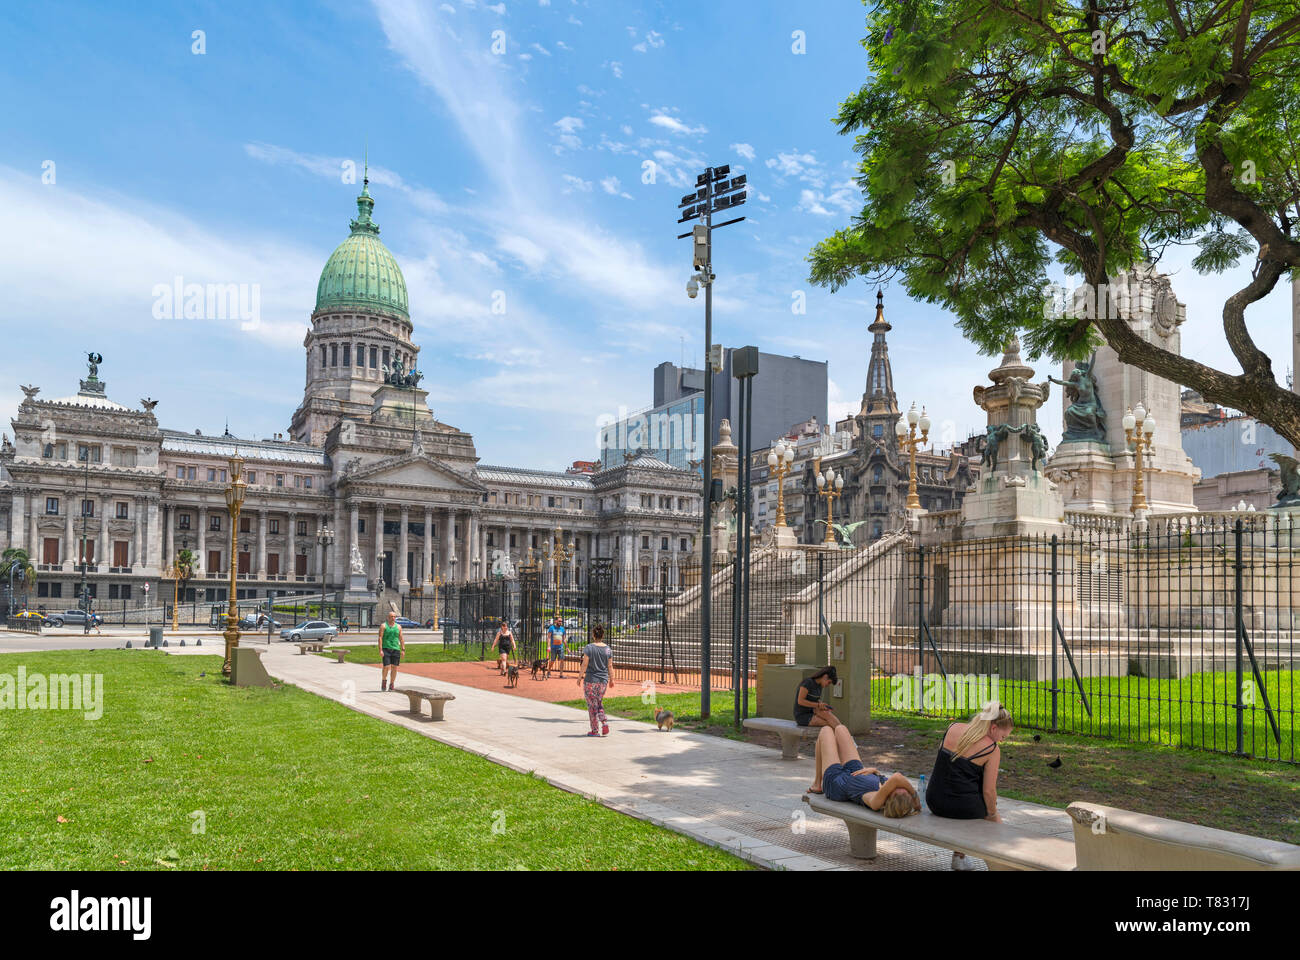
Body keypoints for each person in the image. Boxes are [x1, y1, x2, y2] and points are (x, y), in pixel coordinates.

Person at [925, 701, 1014, 871]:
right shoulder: (992, 749)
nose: (1001, 741)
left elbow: (945, 767)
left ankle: (960, 857)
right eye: (1003, 737)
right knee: (991, 811)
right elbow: (989, 791)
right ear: (994, 728)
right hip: (962, 808)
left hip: (934, 800)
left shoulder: (953, 727)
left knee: (965, 788)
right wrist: (993, 814)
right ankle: (1004, 865)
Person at [808, 725, 919, 818]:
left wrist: (915, 796)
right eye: (906, 792)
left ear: (891, 799)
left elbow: (897, 777)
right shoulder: (889, 789)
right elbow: (889, 781)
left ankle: (818, 783)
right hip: (856, 771)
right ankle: (831, 755)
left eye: (900, 792)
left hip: (837, 782)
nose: (902, 788)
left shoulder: (876, 802)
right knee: (840, 729)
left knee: (826, 730)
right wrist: (875, 772)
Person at [576, 625, 614, 737]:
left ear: (593, 635)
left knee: (592, 705)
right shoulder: (608, 649)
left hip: (590, 681)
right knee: (598, 702)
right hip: (603, 681)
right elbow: (610, 666)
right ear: (603, 635)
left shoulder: (589, 648)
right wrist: (612, 679)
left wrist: (579, 677)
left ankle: (595, 730)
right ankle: (604, 722)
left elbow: (585, 664)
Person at [377, 611, 405, 692]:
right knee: (386, 666)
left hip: (396, 649)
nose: (393, 618)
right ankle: (384, 681)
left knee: (394, 667)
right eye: (391, 616)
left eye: (394, 617)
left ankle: (392, 684)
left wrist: (403, 649)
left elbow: (401, 638)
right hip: (386, 648)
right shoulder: (383, 626)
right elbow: (380, 638)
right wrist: (380, 649)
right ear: (388, 617)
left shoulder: (399, 627)